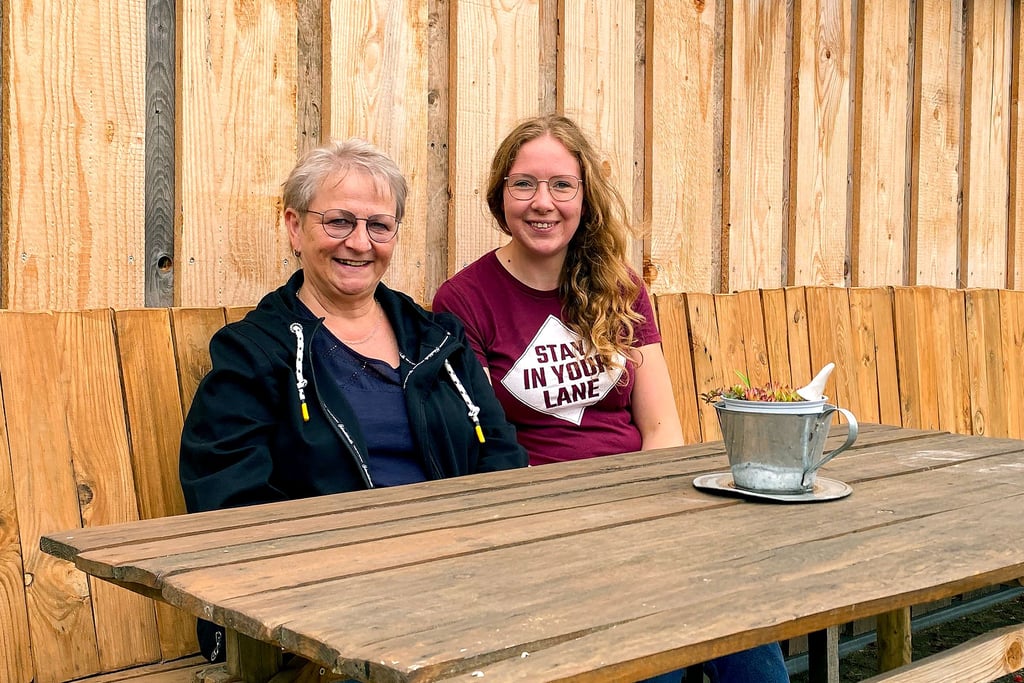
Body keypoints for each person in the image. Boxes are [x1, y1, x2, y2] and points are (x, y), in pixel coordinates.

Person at [432, 114, 790, 683]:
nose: (542, 202)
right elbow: (485, 443)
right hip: (543, 526)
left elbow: (660, 426)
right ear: (500, 197)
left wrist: (650, 522)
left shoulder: (620, 287)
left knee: (745, 633)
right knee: (652, 659)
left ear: (584, 196)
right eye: (523, 184)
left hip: (641, 508)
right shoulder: (464, 299)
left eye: (561, 185)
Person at [180, 138, 527, 663]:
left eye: (378, 225)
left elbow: (500, 455)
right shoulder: (255, 353)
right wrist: (369, 563)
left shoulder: (437, 340)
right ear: (295, 227)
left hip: (460, 581)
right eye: (339, 221)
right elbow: (229, 504)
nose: (360, 243)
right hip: (326, 611)